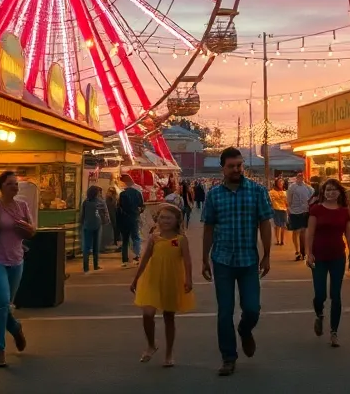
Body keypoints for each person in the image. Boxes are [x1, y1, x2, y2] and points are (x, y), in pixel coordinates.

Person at [201, 147, 274, 377]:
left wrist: (267, 254)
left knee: (252, 309)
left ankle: (245, 330)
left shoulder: (257, 191)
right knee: (224, 312)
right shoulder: (214, 195)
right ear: (222, 167)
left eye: (239, 165)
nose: (236, 169)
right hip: (222, 260)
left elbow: (264, 223)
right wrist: (204, 258)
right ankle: (228, 358)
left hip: (248, 260)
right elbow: (209, 227)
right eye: (231, 166)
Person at [0, 170, 35, 367]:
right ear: (1, 186)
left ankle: (15, 327)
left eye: (16, 184)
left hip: (16, 260)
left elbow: (32, 230)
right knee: (2, 301)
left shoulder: (22, 206)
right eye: (10, 184)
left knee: (6, 304)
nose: (15, 187)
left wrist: (27, 229)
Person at [130, 203, 195, 367]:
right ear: (157, 219)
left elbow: (187, 262)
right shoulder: (154, 238)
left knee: (169, 316)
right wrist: (136, 278)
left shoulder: (181, 240)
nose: (165, 221)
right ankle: (151, 344)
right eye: (162, 217)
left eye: (169, 218)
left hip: (171, 280)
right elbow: (145, 259)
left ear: (176, 221)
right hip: (152, 279)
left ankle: (169, 352)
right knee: (147, 313)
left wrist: (189, 279)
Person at [306, 178, 350, 347]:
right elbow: (310, 233)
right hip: (319, 257)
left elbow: (349, 234)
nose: (330, 193)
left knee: (336, 295)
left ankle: (334, 332)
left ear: (340, 192)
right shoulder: (316, 210)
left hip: (337, 257)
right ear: (323, 193)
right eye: (327, 190)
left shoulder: (344, 212)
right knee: (320, 294)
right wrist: (309, 253)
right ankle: (319, 314)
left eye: (334, 190)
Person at [117, 174, 145, 268]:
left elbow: (119, 207)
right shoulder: (137, 193)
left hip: (124, 219)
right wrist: (138, 212)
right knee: (136, 237)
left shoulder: (122, 194)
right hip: (134, 218)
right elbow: (142, 206)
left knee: (125, 240)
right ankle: (136, 257)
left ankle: (124, 260)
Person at [80, 185, 108, 273]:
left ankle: (86, 267)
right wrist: (105, 222)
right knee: (96, 245)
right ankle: (95, 265)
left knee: (86, 247)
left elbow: (82, 215)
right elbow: (105, 213)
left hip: (87, 225)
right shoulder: (101, 202)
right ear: (96, 193)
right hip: (97, 225)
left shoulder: (85, 202)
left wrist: (82, 223)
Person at [286, 173, 314, 261]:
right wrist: (289, 209)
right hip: (294, 212)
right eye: (299, 177)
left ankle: (303, 251)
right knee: (295, 231)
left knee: (303, 232)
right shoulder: (292, 188)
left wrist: (309, 206)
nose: (300, 178)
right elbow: (288, 199)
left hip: (304, 211)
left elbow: (312, 196)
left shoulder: (307, 187)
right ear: (297, 178)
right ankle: (297, 250)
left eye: (302, 177)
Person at [269, 178, 289, 246]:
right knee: (277, 226)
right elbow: (270, 201)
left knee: (283, 226)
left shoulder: (284, 192)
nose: (281, 183)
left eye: (282, 182)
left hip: (284, 210)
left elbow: (287, 202)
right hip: (276, 210)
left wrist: (288, 209)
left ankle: (282, 241)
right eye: (279, 182)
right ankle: (278, 240)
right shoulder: (271, 192)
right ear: (276, 183)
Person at [106, 185, 121, 252]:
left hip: (114, 216)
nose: (110, 193)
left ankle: (117, 243)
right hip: (110, 216)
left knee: (116, 230)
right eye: (109, 191)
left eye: (111, 191)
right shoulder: (108, 199)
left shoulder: (114, 199)